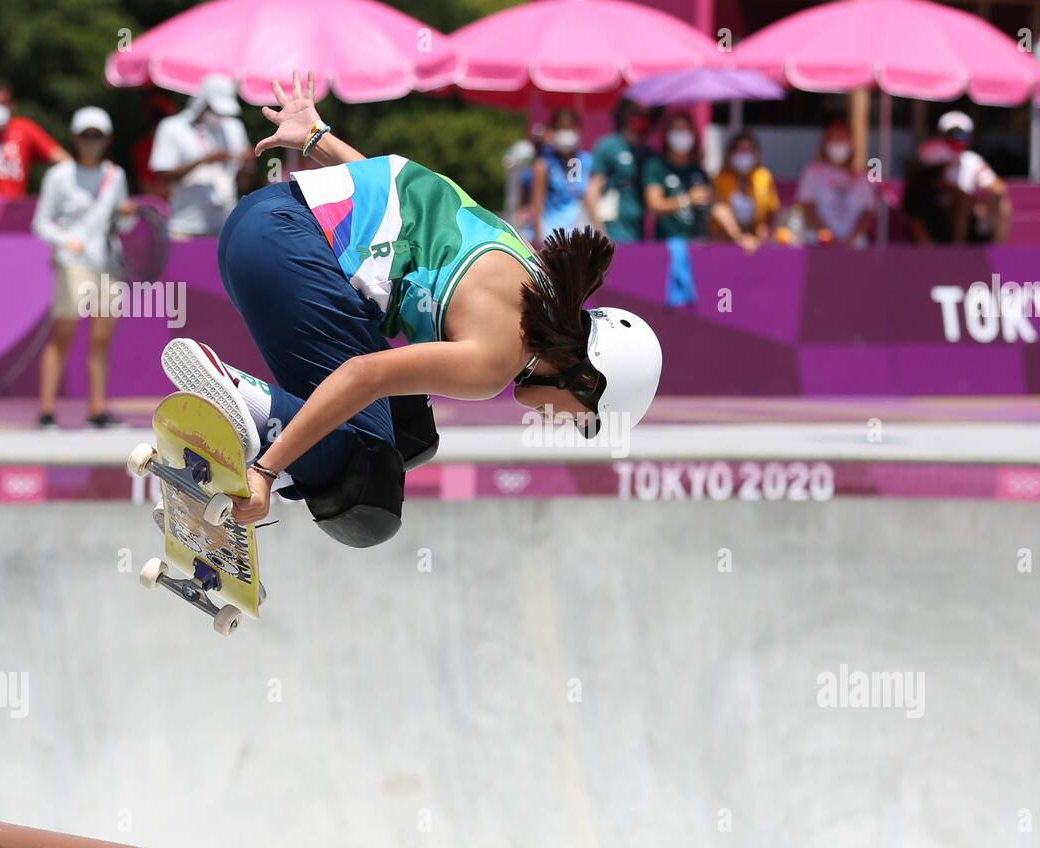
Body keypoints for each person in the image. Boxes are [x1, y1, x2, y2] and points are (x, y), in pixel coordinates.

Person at [159, 73, 663, 545]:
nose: (561, 423)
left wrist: (316, 137)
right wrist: (267, 470)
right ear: (587, 381)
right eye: (581, 419)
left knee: (410, 433)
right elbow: (364, 375)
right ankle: (250, 406)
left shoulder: (527, 267)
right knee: (370, 490)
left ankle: (260, 438)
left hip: (263, 222)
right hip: (285, 250)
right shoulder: (497, 359)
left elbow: (402, 194)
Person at [32, 107, 135, 429]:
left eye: (98, 136)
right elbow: (40, 223)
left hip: (107, 263)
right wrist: (66, 241)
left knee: (101, 339)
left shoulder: (115, 175)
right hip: (73, 263)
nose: (92, 142)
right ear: (75, 139)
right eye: (86, 136)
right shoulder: (58, 175)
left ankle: (96, 410)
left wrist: (127, 213)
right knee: (63, 334)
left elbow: (124, 224)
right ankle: (47, 411)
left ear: (107, 140)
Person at [148, 74, 254, 238]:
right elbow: (162, 175)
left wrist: (248, 164)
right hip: (183, 227)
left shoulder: (234, 127)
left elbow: (244, 183)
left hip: (225, 226)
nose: (219, 115)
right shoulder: (172, 127)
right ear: (202, 102)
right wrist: (203, 161)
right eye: (214, 108)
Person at [794, 118, 876, 247]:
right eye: (834, 139)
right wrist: (828, 238)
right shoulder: (813, 172)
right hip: (820, 247)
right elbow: (807, 209)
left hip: (855, 249)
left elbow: (867, 214)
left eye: (843, 139)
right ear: (825, 143)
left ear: (851, 143)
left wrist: (850, 240)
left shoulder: (863, 177)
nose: (839, 143)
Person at [932, 110, 1011, 244]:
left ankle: (998, 253)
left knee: (1003, 204)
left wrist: (990, 199)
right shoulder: (934, 156)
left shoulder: (972, 160)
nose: (956, 138)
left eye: (961, 135)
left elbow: (996, 186)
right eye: (952, 134)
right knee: (963, 203)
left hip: (969, 210)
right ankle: (957, 254)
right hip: (938, 211)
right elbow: (938, 184)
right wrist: (974, 201)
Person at [587, 99, 655, 242]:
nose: (640, 118)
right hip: (613, 230)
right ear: (623, 114)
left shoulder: (648, 153)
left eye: (645, 114)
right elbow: (592, 191)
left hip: (639, 233)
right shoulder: (607, 146)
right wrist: (600, 231)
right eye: (635, 113)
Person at [641, 112, 711, 240]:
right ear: (667, 135)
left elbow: (714, 206)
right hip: (666, 244)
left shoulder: (698, 171)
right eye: (677, 130)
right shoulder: (656, 166)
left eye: (685, 130)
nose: (681, 135)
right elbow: (654, 204)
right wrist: (687, 200)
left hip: (697, 243)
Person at [710, 130, 781, 252]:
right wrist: (739, 237)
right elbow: (719, 209)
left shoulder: (764, 177)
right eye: (740, 150)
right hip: (724, 242)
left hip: (755, 245)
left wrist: (764, 231)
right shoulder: (719, 179)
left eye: (748, 150)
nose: (744, 155)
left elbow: (773, 210)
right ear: (730, 154)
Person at [529, 108, 592, 243]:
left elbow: (590, 200)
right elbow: (536, 206)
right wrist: (539, 240)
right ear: (553, 133)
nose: (566, 134)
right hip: (550, 236)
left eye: (570, 128)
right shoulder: (543, 164)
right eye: (561, 129)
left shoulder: (586, 161)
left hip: (579, 237)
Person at [903, 138, 959, 245]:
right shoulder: (918, 190)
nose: (946, 172)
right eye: (944, 167)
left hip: (944, 251)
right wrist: (931, 253)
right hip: (930, 254)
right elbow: (917, 224)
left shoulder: (945, 189)